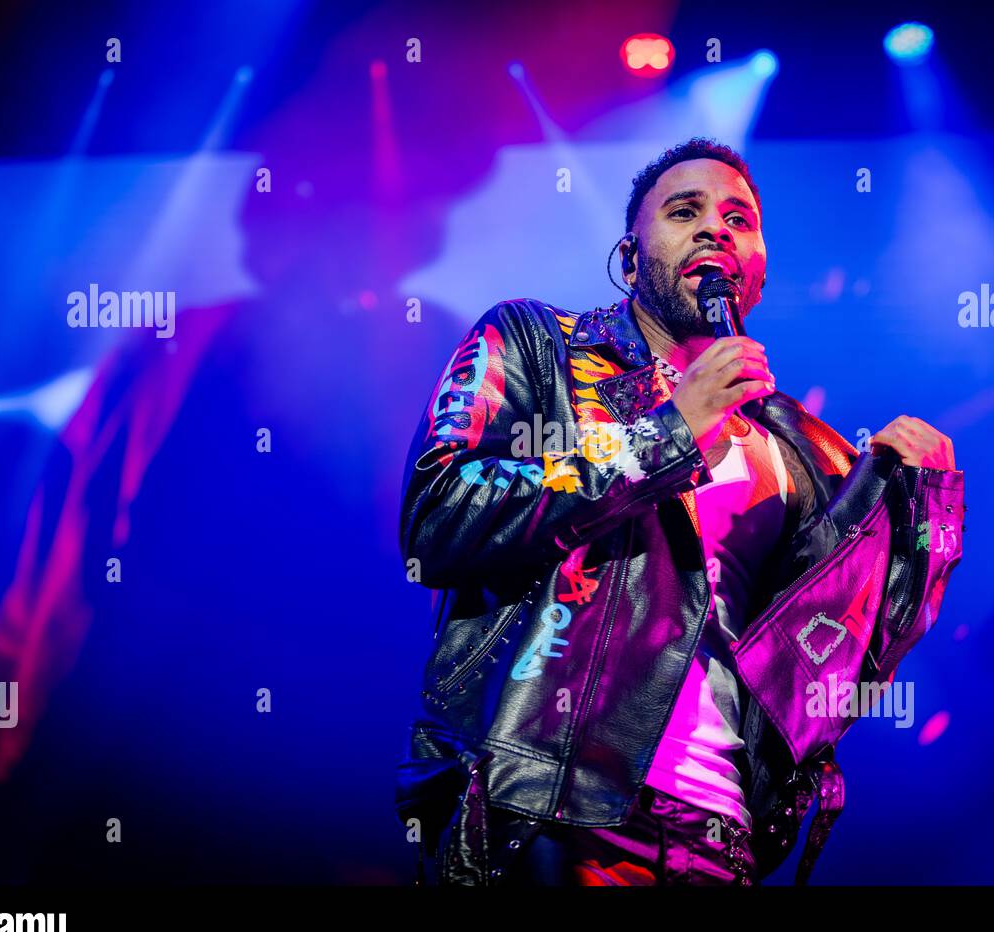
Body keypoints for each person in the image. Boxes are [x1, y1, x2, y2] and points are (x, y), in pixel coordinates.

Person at [395, 138, 960, 886]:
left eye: (738, 218)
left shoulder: (804, 449)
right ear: (631, 259)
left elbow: (837, 676)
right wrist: (668, 437)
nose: (714, 229)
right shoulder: (538, 344)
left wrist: (918, 524)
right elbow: (438, 517)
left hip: (724, 837)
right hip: (552, 804)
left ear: (757, 270)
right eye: (684, 211)